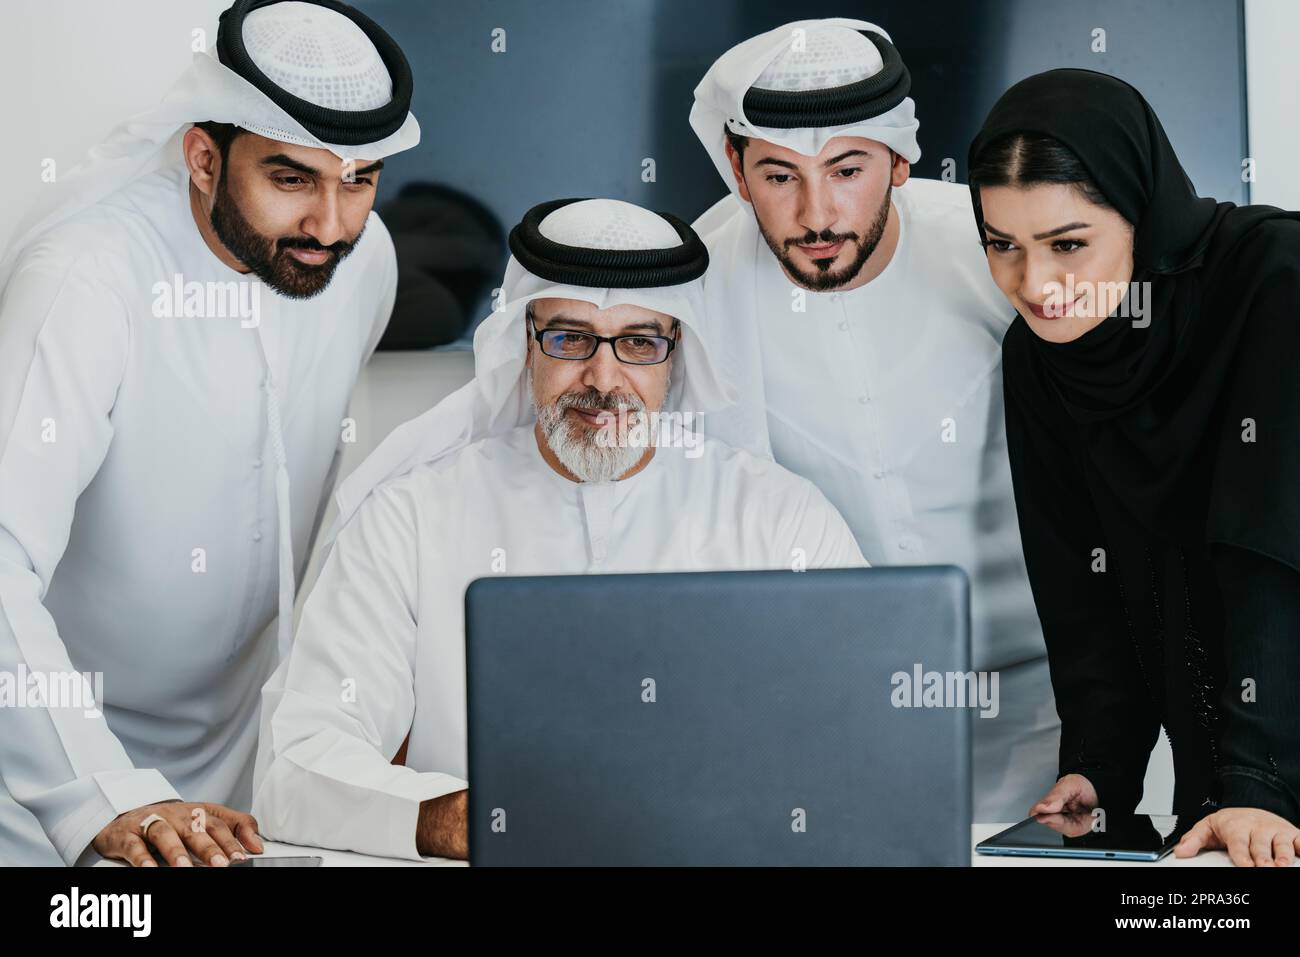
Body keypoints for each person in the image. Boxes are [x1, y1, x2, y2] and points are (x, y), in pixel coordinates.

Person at [251, 198, 866, 860]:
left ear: (677, 352)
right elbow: (299, 763)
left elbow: (865, 735)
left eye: (638, 342)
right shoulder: (412, 517)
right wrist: (463, 817)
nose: (603, 381)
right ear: (525, 343)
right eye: (570, 338)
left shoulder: (780, 520)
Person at [0, 0, 419, 866]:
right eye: (293, 178)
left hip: (252, 775)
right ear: (202, 156)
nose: (332, 224)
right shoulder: (86, 281)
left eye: (361, 178)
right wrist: (104, 794)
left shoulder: (360, 259)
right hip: (52, 782)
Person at [688, 17, 1052, 822]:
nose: (817, 214)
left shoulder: (994, 249)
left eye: (846, 169)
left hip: (1054, 704)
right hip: (834, 716)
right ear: (738, 175)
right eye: (781, 177)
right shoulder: (692, 286)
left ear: (900, 160)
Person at [967, 68, 1300, 866]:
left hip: (1266, 770)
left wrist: (1259, 773)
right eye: (1002, 245)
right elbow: (1079, 580)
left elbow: (1272, 551)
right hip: (1226, 802)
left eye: (1068, 244)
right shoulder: (1040, 357)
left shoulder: (1275, 277)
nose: (1036, 285)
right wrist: (1100, 764)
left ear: (1142, 215)